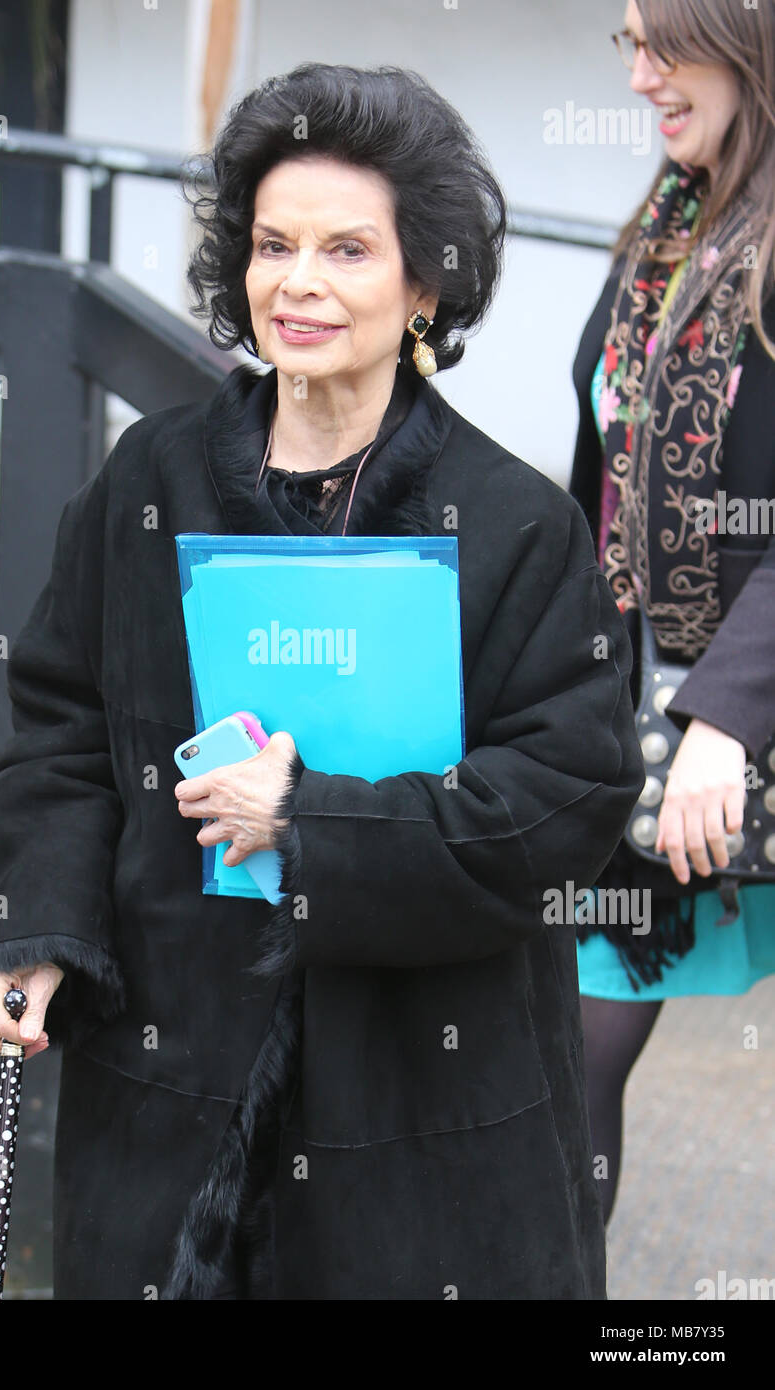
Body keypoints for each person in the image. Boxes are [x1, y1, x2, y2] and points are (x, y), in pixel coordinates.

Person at [0, 62, 643, 1300]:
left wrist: (308, 818)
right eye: (274, 245)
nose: (300, 283)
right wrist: (38, 926)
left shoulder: (515, 525)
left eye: (347, 249)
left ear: (422, 284)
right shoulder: (148, 484)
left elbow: (568, 794)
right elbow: (58, 721)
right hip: (171, 1061)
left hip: (425, 1088)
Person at [570, 0, 775, 1226]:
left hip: (718, 710)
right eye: (625, 43)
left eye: (663, 43)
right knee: (567, 1053)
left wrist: (727, 718)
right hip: (644, 717)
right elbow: (598, 471)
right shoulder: (667, 218)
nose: (639, 74)